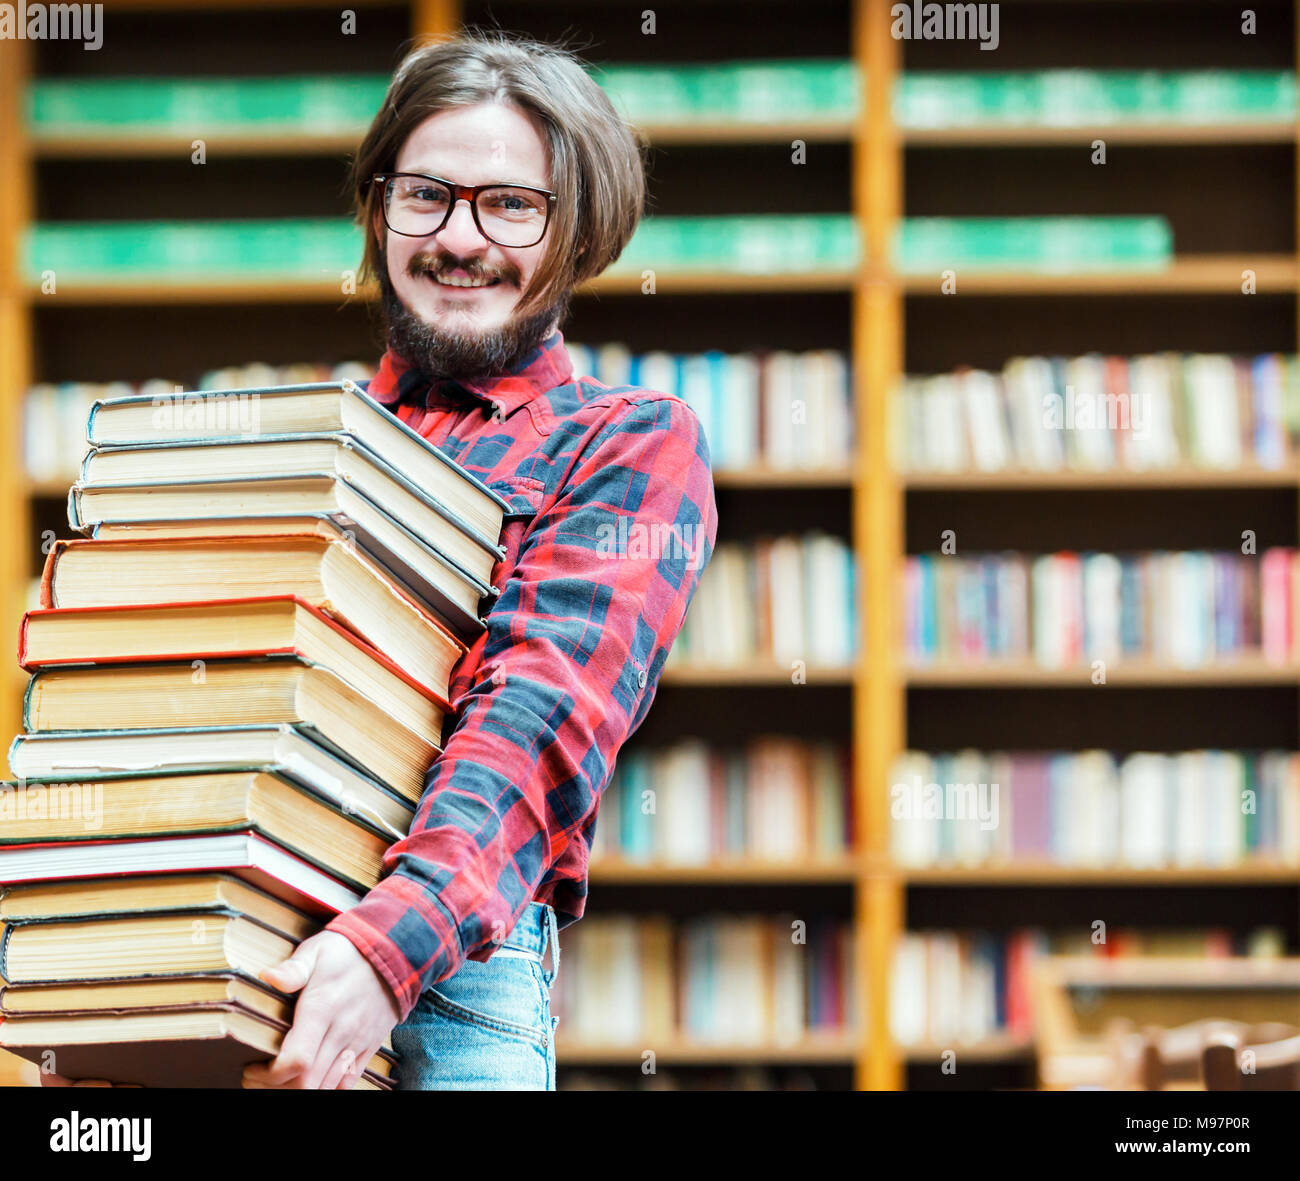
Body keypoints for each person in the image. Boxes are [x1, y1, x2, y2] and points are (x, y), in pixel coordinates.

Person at [238, 29, 718, 1090]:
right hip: (224, 933)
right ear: (377, 209)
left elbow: (538, 721)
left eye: (510, 204)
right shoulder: (299, 443)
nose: (460, 237)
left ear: (576, 230)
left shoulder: (628, 440)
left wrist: (383, 953)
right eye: (426, 195)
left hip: (448, 990)